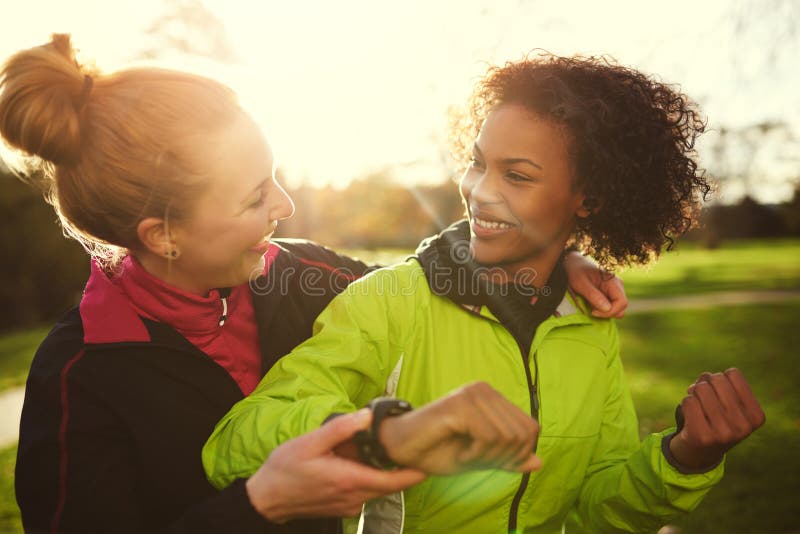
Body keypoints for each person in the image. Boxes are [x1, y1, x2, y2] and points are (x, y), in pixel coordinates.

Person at [0, 36, 626, 533]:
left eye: (272, 176)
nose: (285, 204)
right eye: (253, 197)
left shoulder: (302, 274)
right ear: (164, 236)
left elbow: (424, 285)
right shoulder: (79, 376)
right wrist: (261, 506)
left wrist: (548, 262)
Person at [202, 53, 766, 533]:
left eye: (516, 176)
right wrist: (385, 433)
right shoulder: (391, 301)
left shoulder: (589, 325)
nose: (479, 191)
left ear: (588, 199)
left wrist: (684, 457)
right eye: (477, 163)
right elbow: (235, 443)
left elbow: (598, 510)